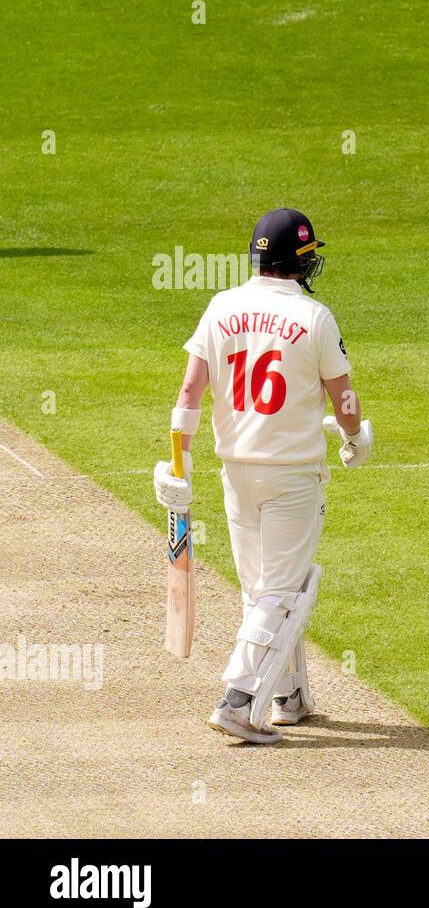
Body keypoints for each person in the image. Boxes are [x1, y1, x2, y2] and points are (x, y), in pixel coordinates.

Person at [153, 208, 374, 742]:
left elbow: (188, 395)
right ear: (298, 261)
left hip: (237, 472)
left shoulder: (221, 307)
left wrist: (180, 465)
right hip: (293, 477)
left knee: (267, 589)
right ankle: (236, 700)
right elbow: (343, 398)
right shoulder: (315, 317)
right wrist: (353, 437)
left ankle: (289, 695)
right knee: (279, 591)